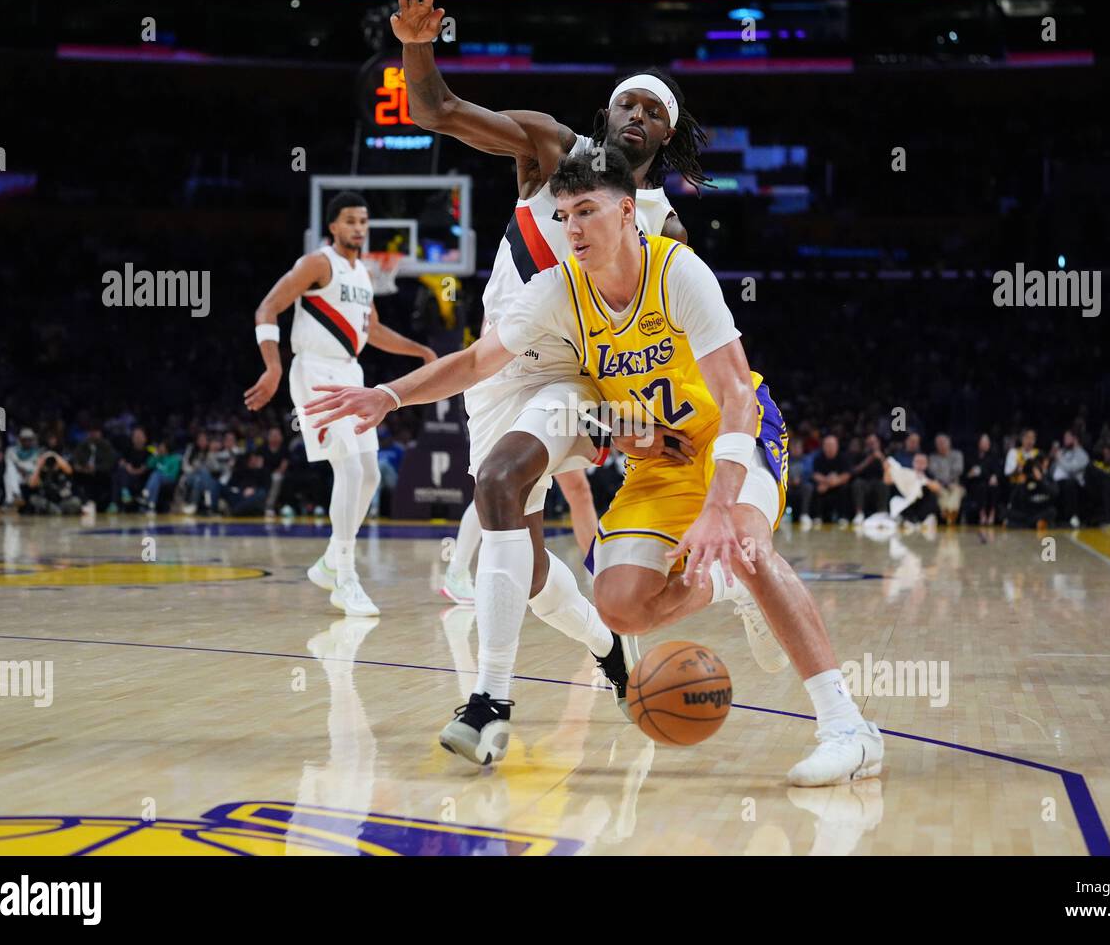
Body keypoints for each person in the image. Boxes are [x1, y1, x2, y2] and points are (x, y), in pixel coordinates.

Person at [304, 152, 884, 787]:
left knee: (745, 543)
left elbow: (739, 393)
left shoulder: (678, 271)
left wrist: (721, 506)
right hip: (660, 458)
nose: (573, 228)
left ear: (628, 211)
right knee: (621, 607)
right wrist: (388, 395)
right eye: (564, 216)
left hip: (730, 435)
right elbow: (475, 362)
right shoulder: (558, 289)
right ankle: (726, 588)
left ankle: (848, 728)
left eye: (587, 212)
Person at [395, 0, 700, 620]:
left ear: (667, 132)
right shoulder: (552, 148)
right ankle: (604, 644)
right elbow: (439, 110)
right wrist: (417, 46)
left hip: (571, 380)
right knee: (528, 572)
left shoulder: (663, 229)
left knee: (505, 484)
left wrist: (634, 422)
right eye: (627, 103)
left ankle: (489, 698)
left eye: (653, 110)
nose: (637, 115)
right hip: (493, 365)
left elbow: (653, 340)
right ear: (606, 113)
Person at [243, 190, 436, 616]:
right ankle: (345, 575)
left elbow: (373, 331)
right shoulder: (317, 263)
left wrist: (419, 352)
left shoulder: (363, 274)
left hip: (351, 373)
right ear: (333, 226)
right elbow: (267, 309)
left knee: (368, 473)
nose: (359, 228)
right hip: (314, 372)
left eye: (364, 221)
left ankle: (332, 561)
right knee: (349, 467)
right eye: (350, 221)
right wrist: (273, 367)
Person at [1050, 429, 1088, 527]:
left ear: (1075, 439)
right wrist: (1052, 457)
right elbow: (1053, 470)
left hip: (1073, 483)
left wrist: (1059, 459)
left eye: (1067, 438)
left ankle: (1072, 517)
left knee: (1068, 484)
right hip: (1056, 482)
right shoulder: (1063, 452)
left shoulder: (1081, 454)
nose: (1064, 440)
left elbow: (1071, 469)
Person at [927, 433, 965, 526]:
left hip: (955, 484)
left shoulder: (957, 455)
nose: (941, 445)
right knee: (941, 493)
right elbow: (933, 472)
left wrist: (949, 483)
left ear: (949, 443)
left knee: (956, 491)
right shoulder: (932, 457)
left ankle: (947, 513)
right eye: (939, 443)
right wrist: (945, 483)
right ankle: (951, 515)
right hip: (939, 485)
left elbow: (958, 470)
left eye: (943, 442)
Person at [965, 432, 1002, 525]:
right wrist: (971, 474)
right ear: (978, 443)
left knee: (993, 486)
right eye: (983, 442)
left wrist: (994, 476)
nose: (986, 444)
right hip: (975, 483)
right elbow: (968, 473)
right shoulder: (972, 456)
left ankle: (992, 513)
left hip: (990, 482)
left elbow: (997, 470)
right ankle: (982, 513)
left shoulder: (993, 455)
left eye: (987, 442)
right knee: (981, 487)